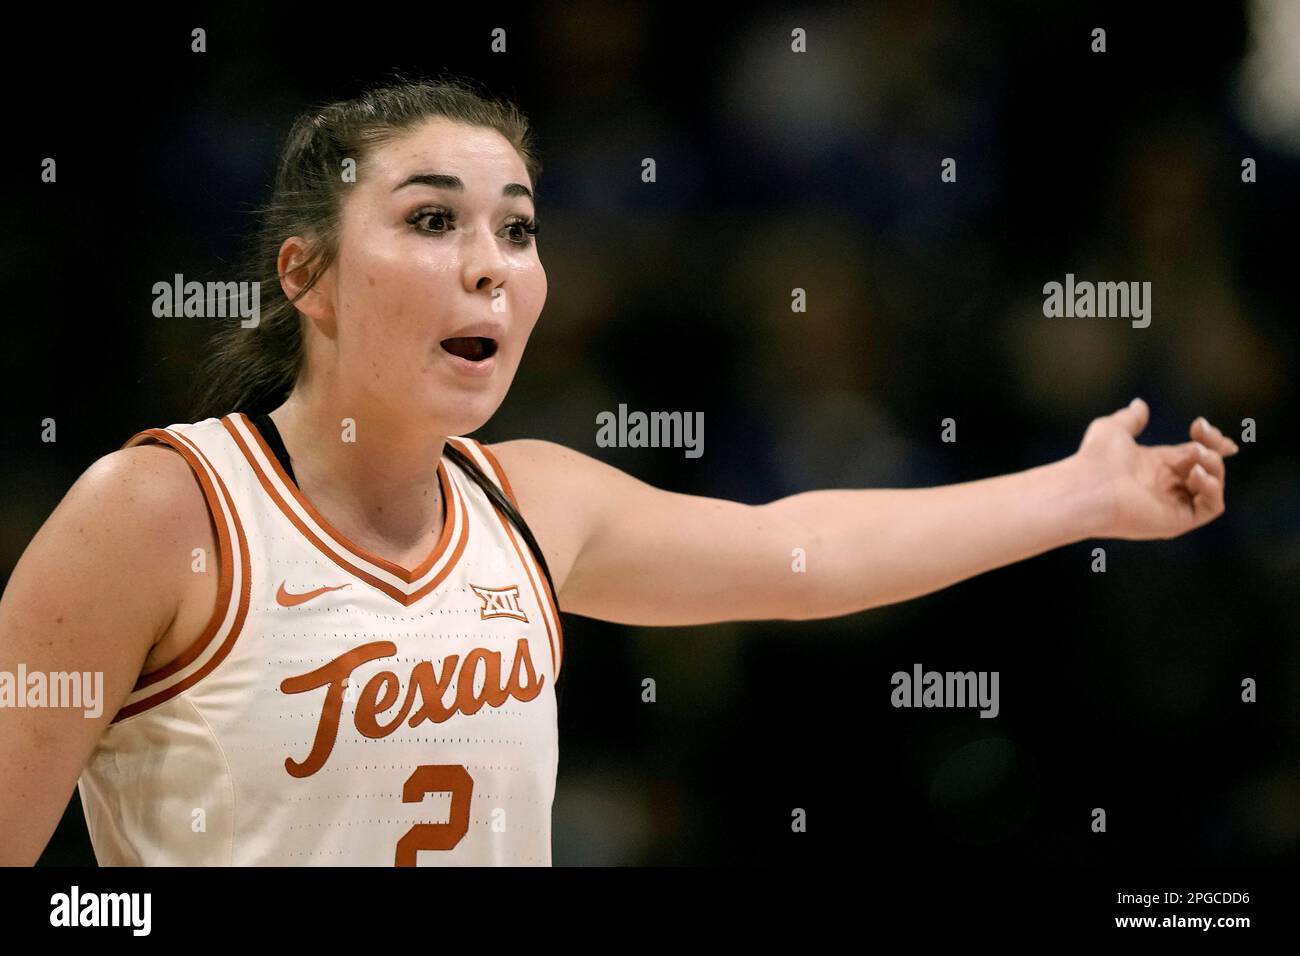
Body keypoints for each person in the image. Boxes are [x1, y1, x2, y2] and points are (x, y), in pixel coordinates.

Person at [0, 77, 1238, 866]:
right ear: (306, 275)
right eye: (433, 219)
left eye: (518, 227)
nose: (492, 263)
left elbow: (805, 554)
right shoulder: (162, 510)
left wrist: (1081, 495)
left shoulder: (532, 499)